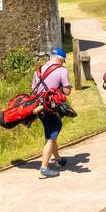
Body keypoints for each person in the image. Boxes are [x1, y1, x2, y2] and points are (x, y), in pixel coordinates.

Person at [33, 48, 72, 178]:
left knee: (50, 133)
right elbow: (66, 92)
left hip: (39, 108)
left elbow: (33, 90)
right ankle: (44, 168)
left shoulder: (38, 70)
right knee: (51, 137)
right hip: (51, 108)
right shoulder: (62, 70)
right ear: (61, 59)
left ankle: (59, 160)